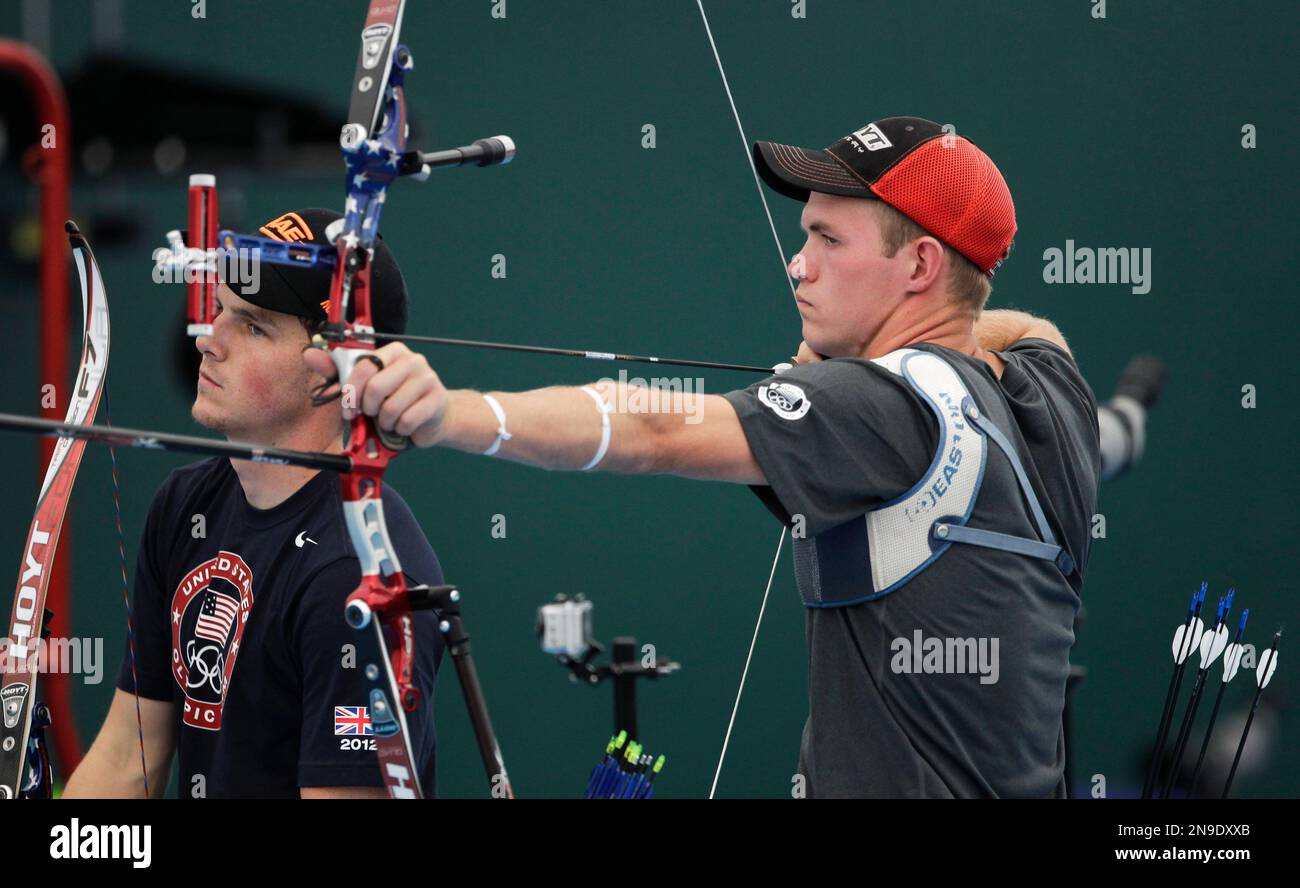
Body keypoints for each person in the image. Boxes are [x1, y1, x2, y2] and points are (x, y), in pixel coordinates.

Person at [305, 116, 1101, 798]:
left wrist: (454, 414)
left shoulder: (879, 408)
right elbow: (1027, 329)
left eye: (829, 239)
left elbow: (658, 430)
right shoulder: (1049, 391)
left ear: (922, 266)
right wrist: (876, 353)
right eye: (803, 237)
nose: (800, 264)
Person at [65, 209, 446, 799]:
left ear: (333, 372)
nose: (209, 341)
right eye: (219, 309)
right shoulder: (186, 503)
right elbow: (127, 762)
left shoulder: (357, 576)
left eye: (252, 327)